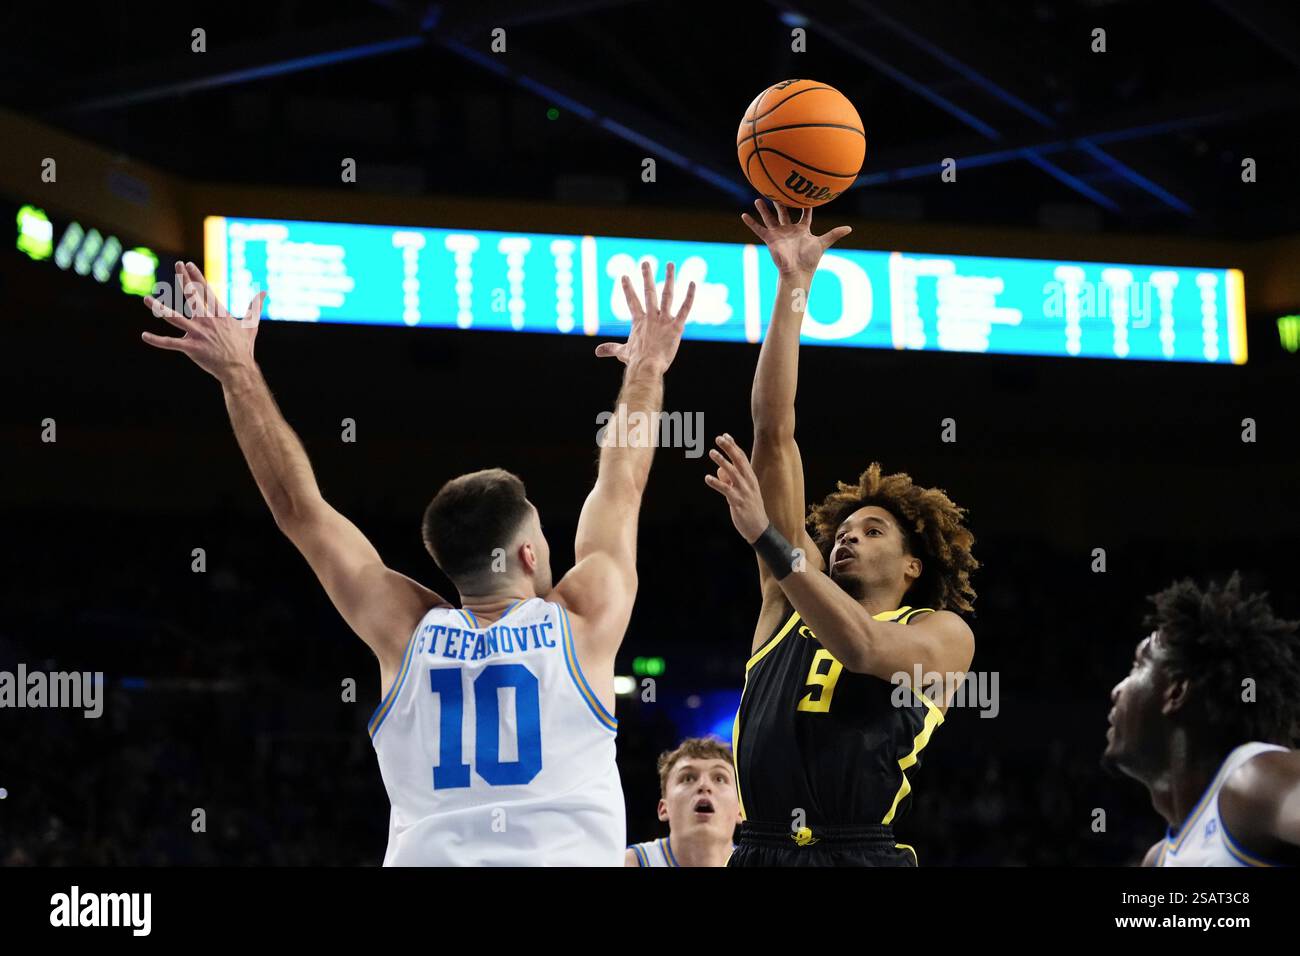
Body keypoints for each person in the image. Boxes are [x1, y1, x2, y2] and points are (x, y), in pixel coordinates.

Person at [142, 259, 694, 865]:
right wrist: (646, 366)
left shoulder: (408, 632)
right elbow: (622, 483)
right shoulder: (583, 620)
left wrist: (238, 373)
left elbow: (298, 509)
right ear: (528, 553)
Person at [705, 201, 978, 866]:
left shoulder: (942, 633)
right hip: (760, 849)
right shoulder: (786, 597)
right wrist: (793, 285)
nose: (849, 538)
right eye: (845, 529)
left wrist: (771, 539)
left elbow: (860, 647)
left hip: (857, 852)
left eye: (873, 530)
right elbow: (775, 427)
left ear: (913, 565)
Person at [1103, 573, 1300, 866]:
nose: (1116, 690)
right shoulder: (1156, 860)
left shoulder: (1252, 780)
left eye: (1137, 665)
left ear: (1176, 692)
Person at [625, 737, 741, 867]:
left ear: (740, 811)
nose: (704, 785)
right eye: (688, 778)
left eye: (719, 778)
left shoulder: (754, 862)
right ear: (664, 808)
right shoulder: (631, 862)